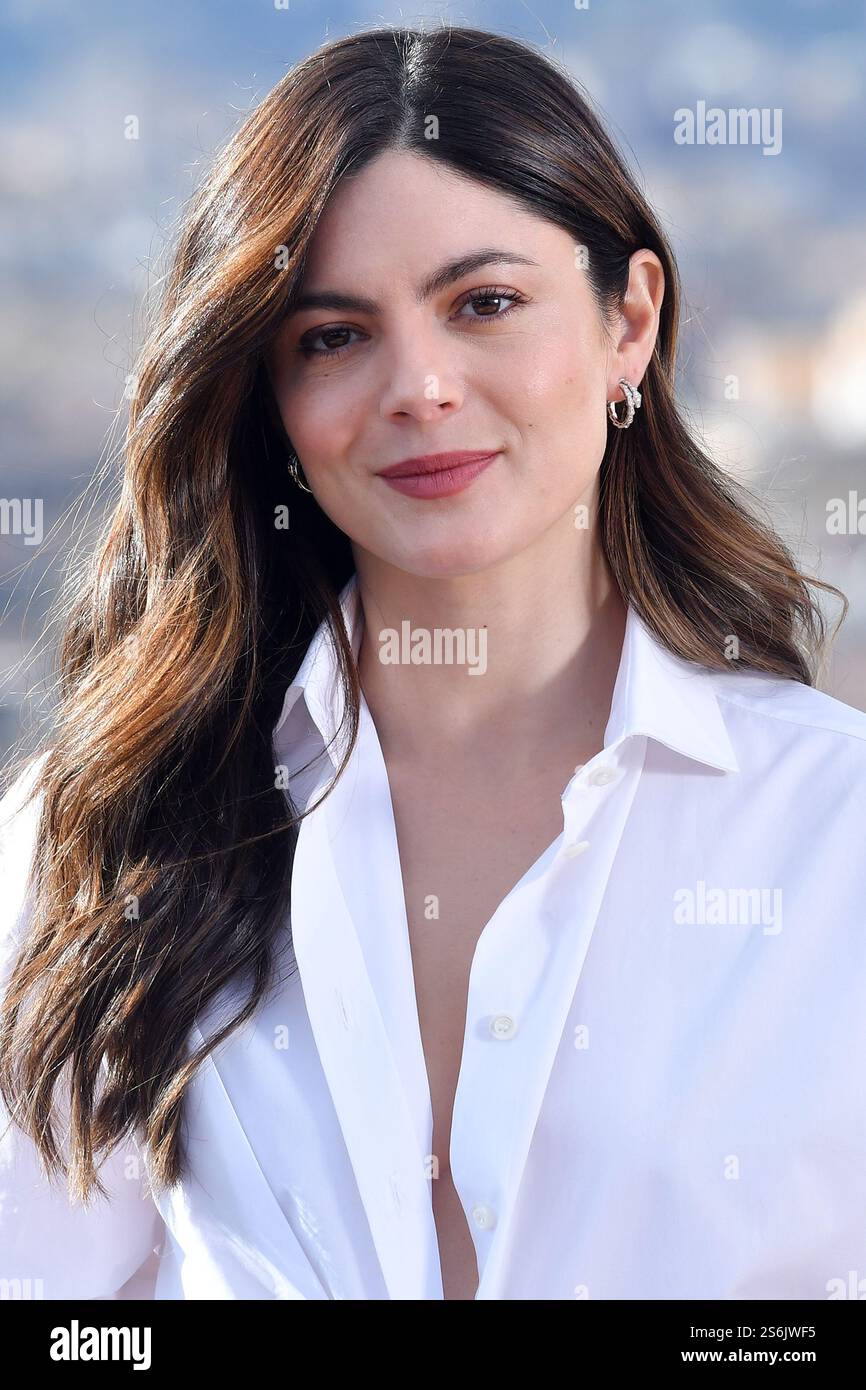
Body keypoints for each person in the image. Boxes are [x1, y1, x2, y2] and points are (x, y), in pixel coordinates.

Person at [2, 24, 865, 1303]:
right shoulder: (95, 835)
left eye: (485, 304)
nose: (419, 385)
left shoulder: (832, 832)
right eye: (333, 336)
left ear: (630, 322)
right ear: (273, 400)